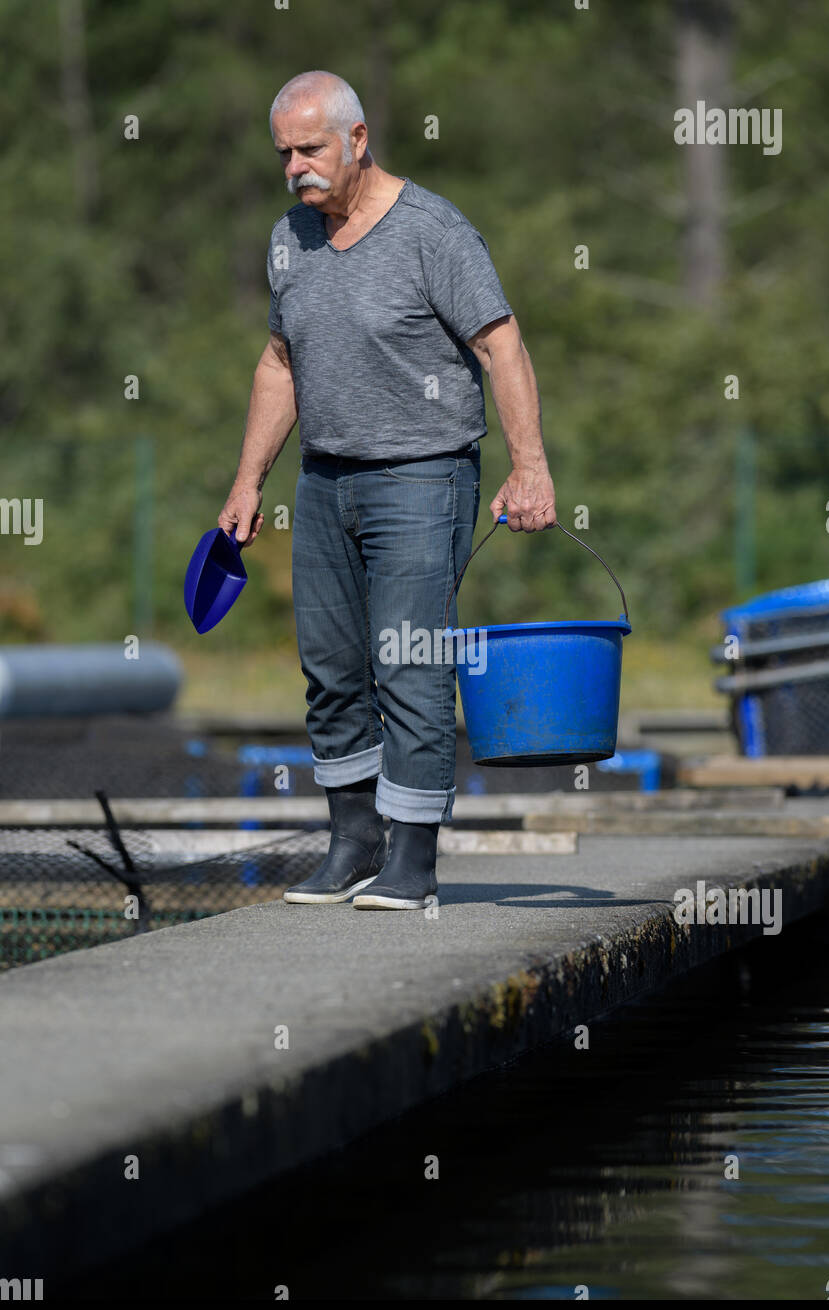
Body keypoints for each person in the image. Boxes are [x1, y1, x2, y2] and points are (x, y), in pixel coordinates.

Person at [218, 70, 556, 911]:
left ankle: (414, 858)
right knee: (332, 669)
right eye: (284, 153)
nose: (296, 166)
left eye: (311, 148)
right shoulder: (290, 238)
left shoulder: (432, 232)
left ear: (359, 140)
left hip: (423, 476)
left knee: (409, 664)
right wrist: (247, 480)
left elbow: (501, 346)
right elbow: (279, 363)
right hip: (325, 481)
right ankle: (353, 839)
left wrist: (531, 464)